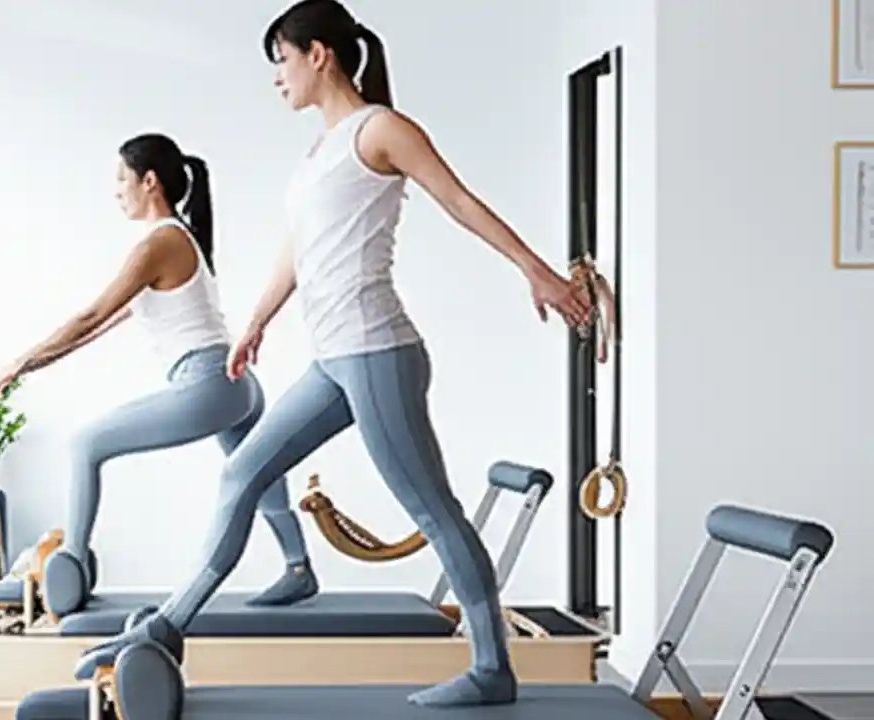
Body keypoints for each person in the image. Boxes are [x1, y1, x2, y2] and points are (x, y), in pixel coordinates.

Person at [71, 0, 593, 709]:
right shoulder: (320, 150)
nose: (277, 78)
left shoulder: (382, 129)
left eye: (281, 61)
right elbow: (300, 250)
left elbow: (458, 200)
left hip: (377, 351)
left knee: (432, 508)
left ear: (319, 54)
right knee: (244, 474)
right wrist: (255, 320)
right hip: (334, 360)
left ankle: (492, 669)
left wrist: (534, 270)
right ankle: (167, 627)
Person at [0, 133, 319, 616]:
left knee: (84, 445)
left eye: (121, 178)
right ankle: (299, 568)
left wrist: (18, 361)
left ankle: (73, 559)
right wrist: (32, 367)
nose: (116, 190)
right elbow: (94, 331)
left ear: (149, 181)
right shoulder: (178, 238)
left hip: (206, 385)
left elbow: (89, 315)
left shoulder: (158, 243)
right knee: (260, 477)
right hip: (236, 386)